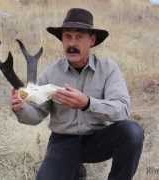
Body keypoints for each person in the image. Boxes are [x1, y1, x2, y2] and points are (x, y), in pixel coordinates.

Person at [11, 8, 144, 180]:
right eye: (67, 36)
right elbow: (36, 114)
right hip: (63, 142)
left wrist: (87, 103)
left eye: (79, 37)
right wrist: (21, 109)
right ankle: (76, 171)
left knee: (132, 132)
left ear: (92, 40)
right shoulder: (52, 72)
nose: (72, 43)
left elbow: (123, 109)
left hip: (98, 140)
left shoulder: (108, 69)